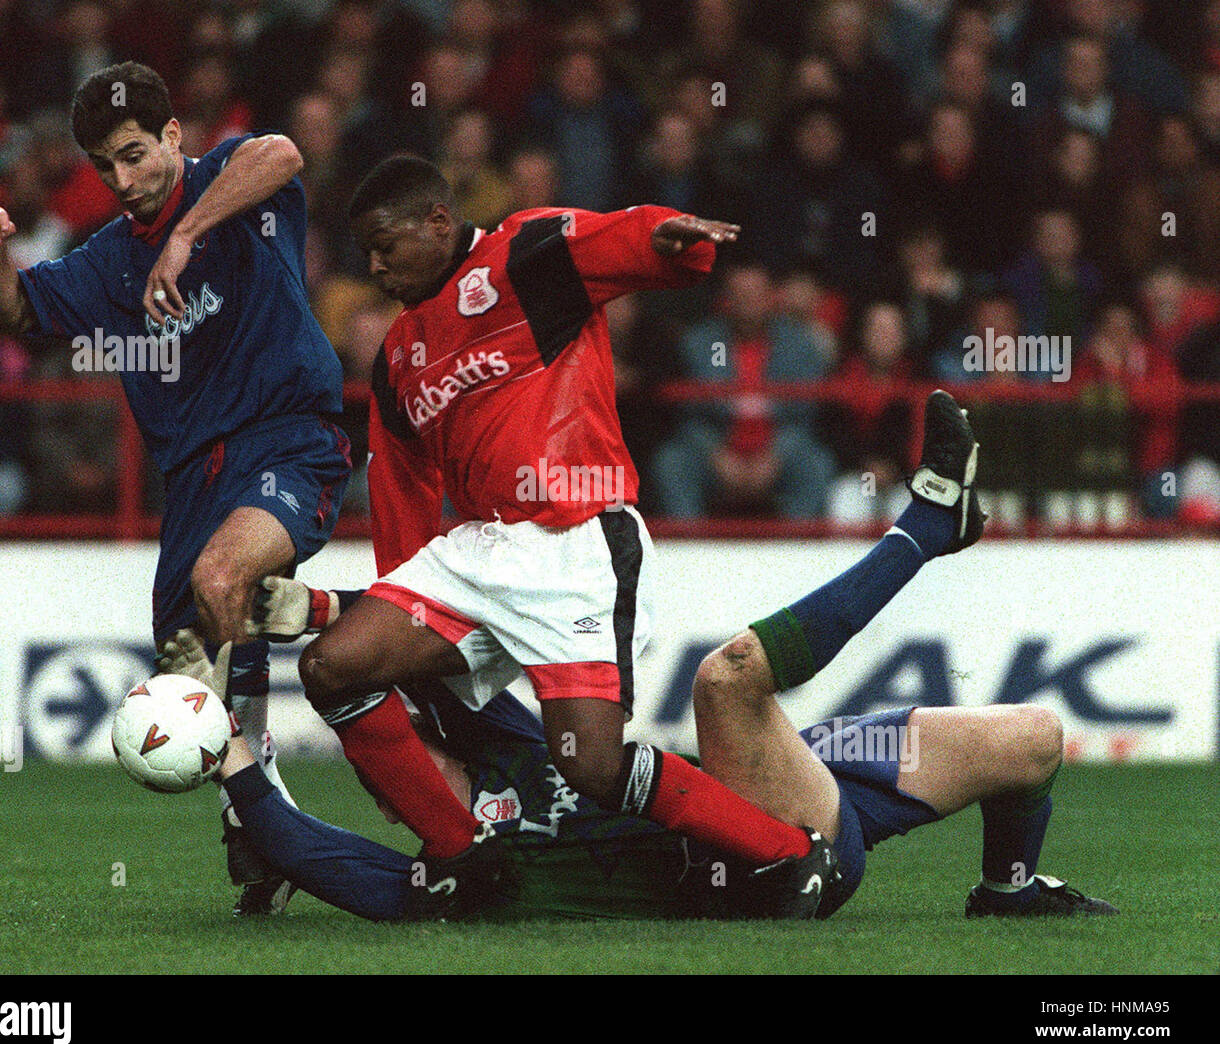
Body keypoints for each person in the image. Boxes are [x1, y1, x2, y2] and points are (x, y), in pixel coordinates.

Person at [162, 392, 1114, 921]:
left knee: (1033, 740)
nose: (403, 743)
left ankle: (1011, 891)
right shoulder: (458, 876)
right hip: (766, 858)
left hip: (769, 783)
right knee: (727, 679)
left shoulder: (489, 741)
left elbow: (455, 629)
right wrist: (222, 744)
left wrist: (318, 607)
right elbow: (298, 843)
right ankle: (928, 523)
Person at [290, 152, 842, 919]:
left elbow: (612, 242)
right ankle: (463, 854)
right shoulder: (399, 356)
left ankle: (791, 853)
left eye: (387, 245)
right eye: (366, 254)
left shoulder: (522, 257)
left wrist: (668, 240)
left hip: (576, 539)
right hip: (477, 552)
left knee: (591, 765)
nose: (376, 266)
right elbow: (402, 487)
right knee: (333, 667)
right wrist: (398, 590)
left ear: (439, 223)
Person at [0, 61, 351, 915]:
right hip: (195, 486)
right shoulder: (104, 263)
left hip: (291, 437)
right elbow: (12, 314)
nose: (125, 181)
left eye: (137, 155)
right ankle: (262, 814)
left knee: (223, 583)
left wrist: (184, 236)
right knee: (192, 670)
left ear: (176, 135)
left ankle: (268, 807)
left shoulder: (236, 181)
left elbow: (282, 152)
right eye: (106, 167)